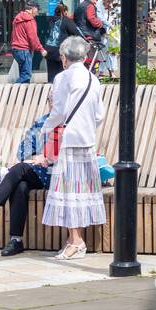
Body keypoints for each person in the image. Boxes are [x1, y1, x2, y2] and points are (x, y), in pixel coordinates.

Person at [0, 89, 55, 256]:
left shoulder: (68, 123)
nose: (54, 104)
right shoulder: (42, 122)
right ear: (48, 103)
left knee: (18, 170)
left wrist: (49, 157)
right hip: (36, 171)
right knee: (20, 185)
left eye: (58, 100)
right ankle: (16, 240)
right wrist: (36, 156)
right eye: (52, 100)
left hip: (57, 174)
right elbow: (23, 151)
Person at [41, 35, 107, 261]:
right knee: (80, 190)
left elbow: (58, 111)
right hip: (87, 141)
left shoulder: (63, 78)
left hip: (68, 142)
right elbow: (99, 115)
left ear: (65, 57)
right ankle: (72, 239)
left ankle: (77, 242)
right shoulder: (93, 79)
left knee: (69, 192)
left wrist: (45, 129)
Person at [9, 1, 45, 84]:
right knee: (26, 75)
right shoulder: (30, 20)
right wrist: (41, 49)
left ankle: (21, 95)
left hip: (15, 49)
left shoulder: (17, 18)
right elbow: (33, 37)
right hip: (23, 50)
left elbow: (13, 34)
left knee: (23, 74)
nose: (37, 12)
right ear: (33, 9)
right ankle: (13, 91)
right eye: (37, 10)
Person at [46, 3, 81, 84]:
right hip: (60, 51)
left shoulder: (50, 20)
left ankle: (50, 92)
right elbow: (76, 33)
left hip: (49, 49)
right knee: (61, 75)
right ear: (65, 12)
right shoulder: (67, 21)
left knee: (51, 76)